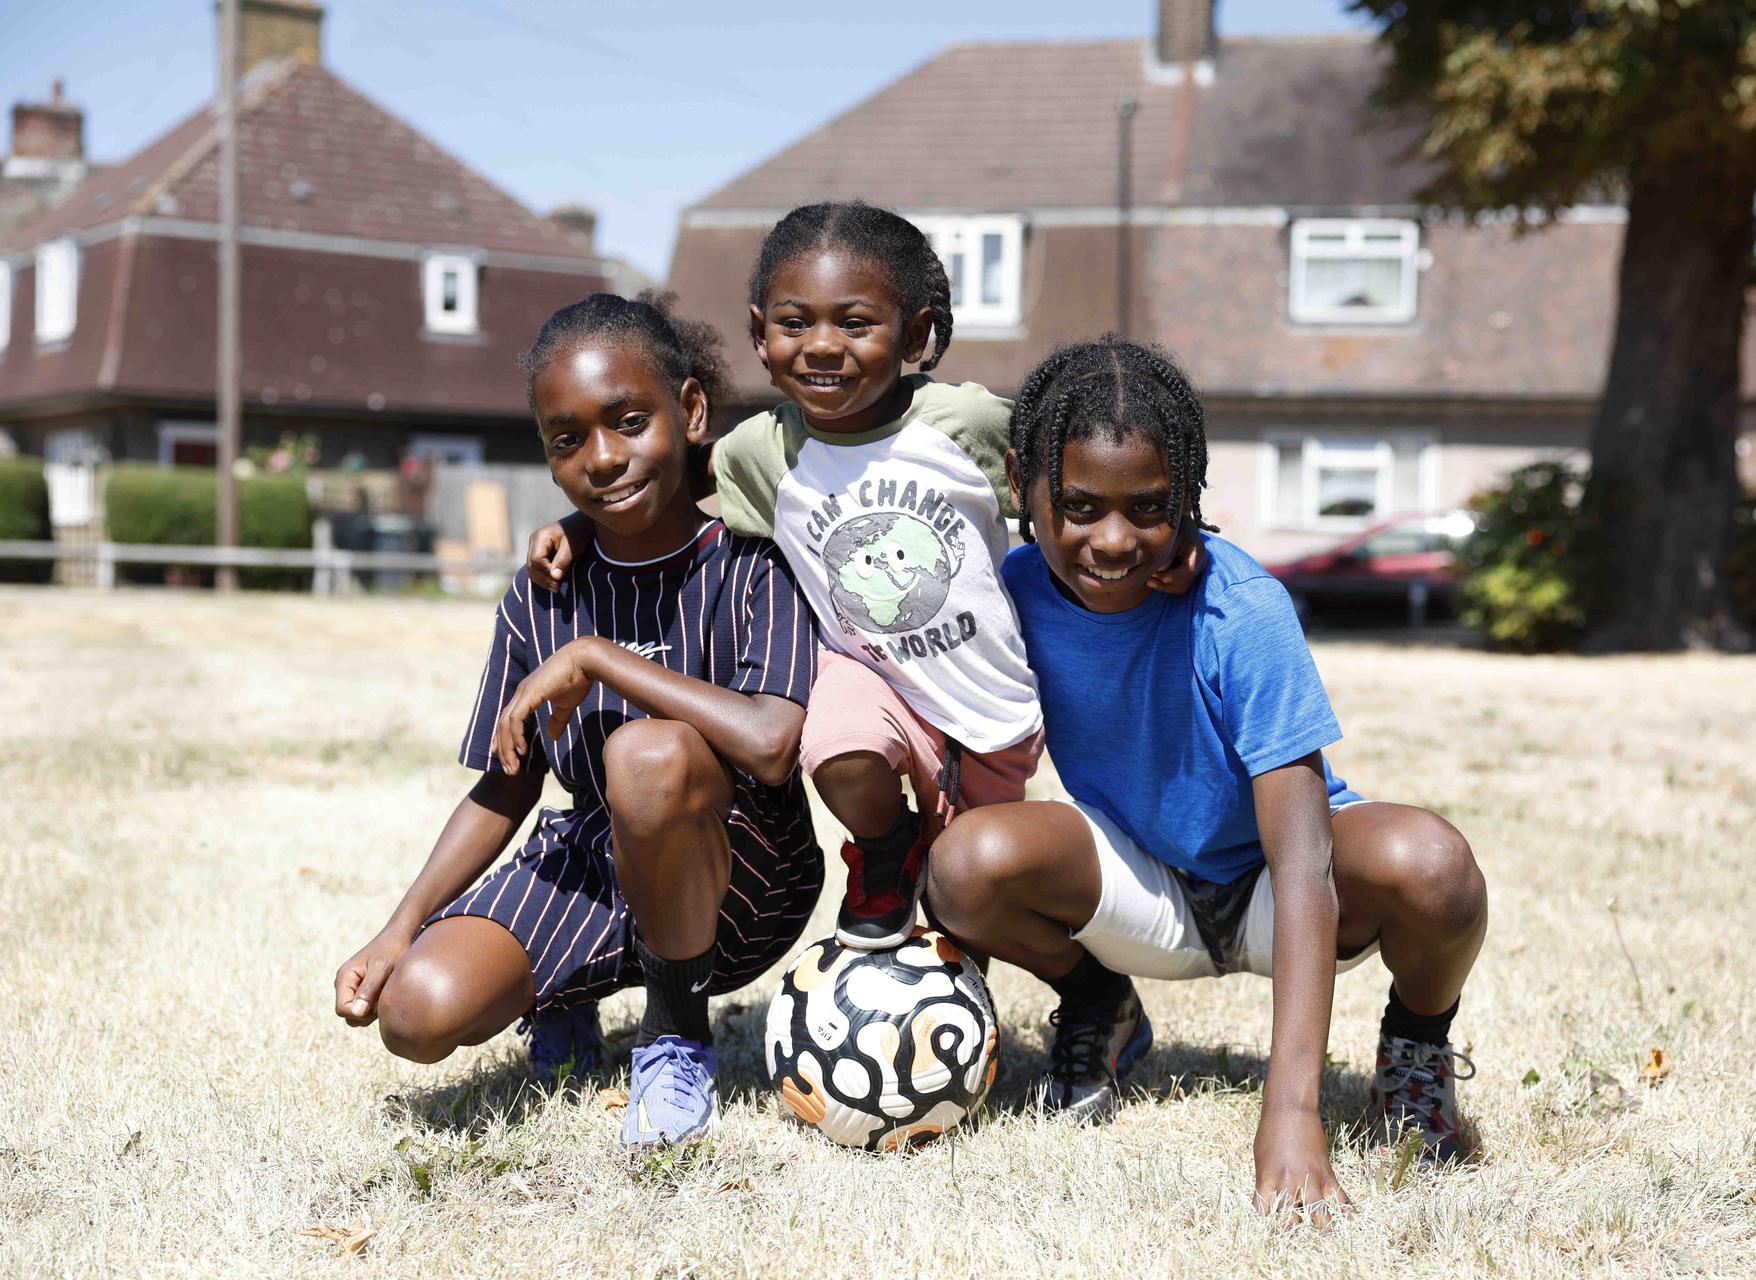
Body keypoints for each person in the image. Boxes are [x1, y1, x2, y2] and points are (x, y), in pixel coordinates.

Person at [924, 336, 1489, 1219]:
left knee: (1435, 866)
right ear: (1019, 481)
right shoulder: (1005, 590)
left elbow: (1304, 866)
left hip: (1277, 888)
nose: (1113, 540)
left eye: (1150, 507)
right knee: (966, 863)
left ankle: (1415, 1049)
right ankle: (1097, 1003)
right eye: (1078, 506)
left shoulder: (1240, 606)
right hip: (1143, 890)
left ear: (1190, 496)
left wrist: (1291, 1111)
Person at [530, 204, 1195, 953]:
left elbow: (1091, 473)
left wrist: (1180, 533)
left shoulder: (964, 422)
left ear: (914, 336)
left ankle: (1069, 994)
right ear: (759, 332)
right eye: (793, 323)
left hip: (984, 710)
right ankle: (883, 848)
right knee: (836, 746)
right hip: (866, 677)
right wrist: (580, 526)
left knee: (962, 900)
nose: (821, 346)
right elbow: (664, 484)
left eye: (853, 323)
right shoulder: (761, 452)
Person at [332, 293, 821, 1150]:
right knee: (416, 1014)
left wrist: (598, 658)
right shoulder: (543, 589)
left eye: (628, 421)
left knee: (647, 755)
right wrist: (398, 929)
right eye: (568, 440)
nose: (602, 457)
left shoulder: (754, 561)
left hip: (744, 874)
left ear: (691, 410)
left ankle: (675, 1036)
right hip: (598, 859)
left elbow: (773, 746)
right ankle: (567, 992)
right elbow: (507, 782)